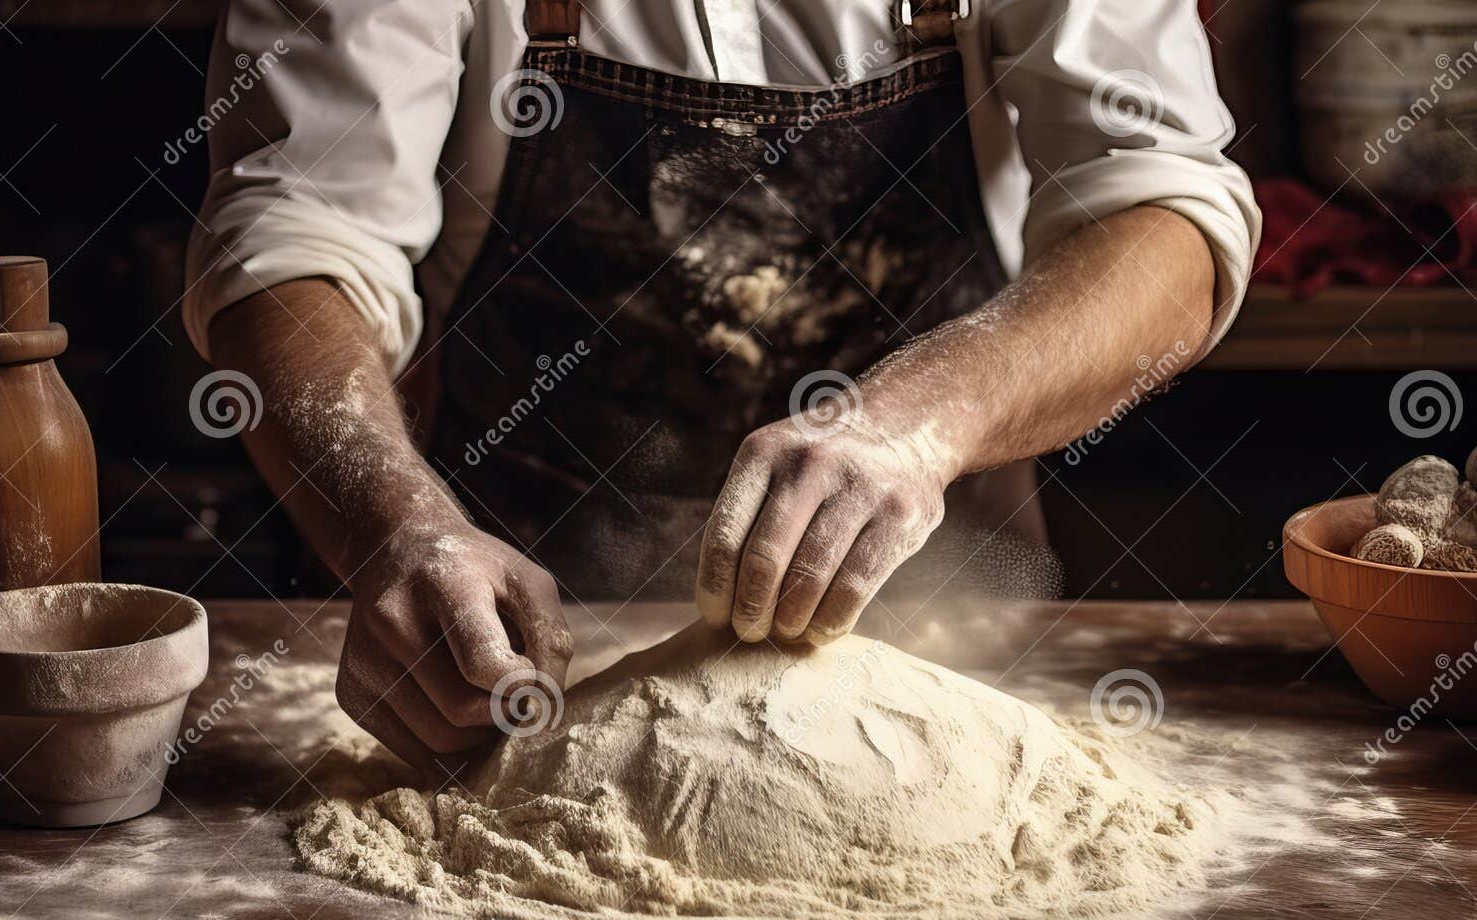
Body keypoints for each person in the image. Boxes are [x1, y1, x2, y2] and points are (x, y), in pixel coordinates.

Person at [186, 0, 1259, 766]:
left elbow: (1167, 216)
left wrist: (923, 421)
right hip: (527, 659)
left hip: (953, 643)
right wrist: (391, 525)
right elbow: (292, 231)